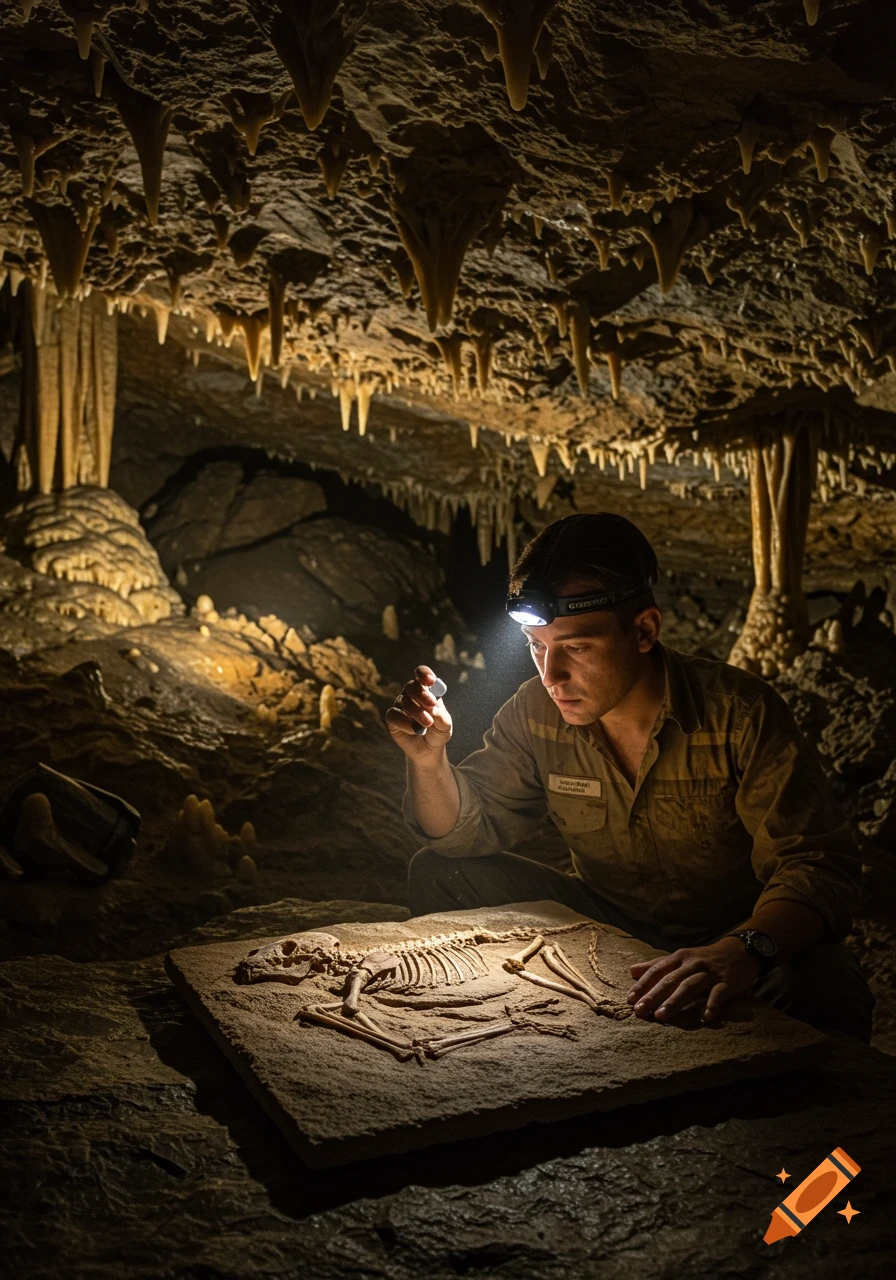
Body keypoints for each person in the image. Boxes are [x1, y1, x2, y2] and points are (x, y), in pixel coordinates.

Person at [385, 512, 873, 1042]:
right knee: (438, 871)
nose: (551, 676)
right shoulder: (535, 712)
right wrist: (428, 760)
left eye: (577, 648)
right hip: (609, 926)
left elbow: (817, 865)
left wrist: (743, 950)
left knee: (828, 986)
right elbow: (461, 833)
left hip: (736, 933)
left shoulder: (740, 714)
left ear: (643, 631)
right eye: (536, 646)